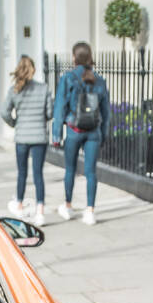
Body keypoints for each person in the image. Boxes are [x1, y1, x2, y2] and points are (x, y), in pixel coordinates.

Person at [51, 41, 111, 225]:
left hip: (73, 130)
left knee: (70, 169)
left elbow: (60, 107)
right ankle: (90, 211)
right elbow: (106, 112)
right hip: (93, 132)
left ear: (74, 57)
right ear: (90, 57)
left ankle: (68, 206)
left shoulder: (68, 79)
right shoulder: (99, 80)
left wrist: (56, 135)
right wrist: (104, 134)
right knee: (91, 172)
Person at [0, 55, 51, 225]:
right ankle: (40, 213)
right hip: (39, 137)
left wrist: (14, 123)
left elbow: (4, 112)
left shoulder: (15, 90)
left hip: (22, 137)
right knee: (38, 175)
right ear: (33, 70)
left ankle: (20, 205)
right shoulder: (44, 89)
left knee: (22, 173)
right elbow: (50, 113)